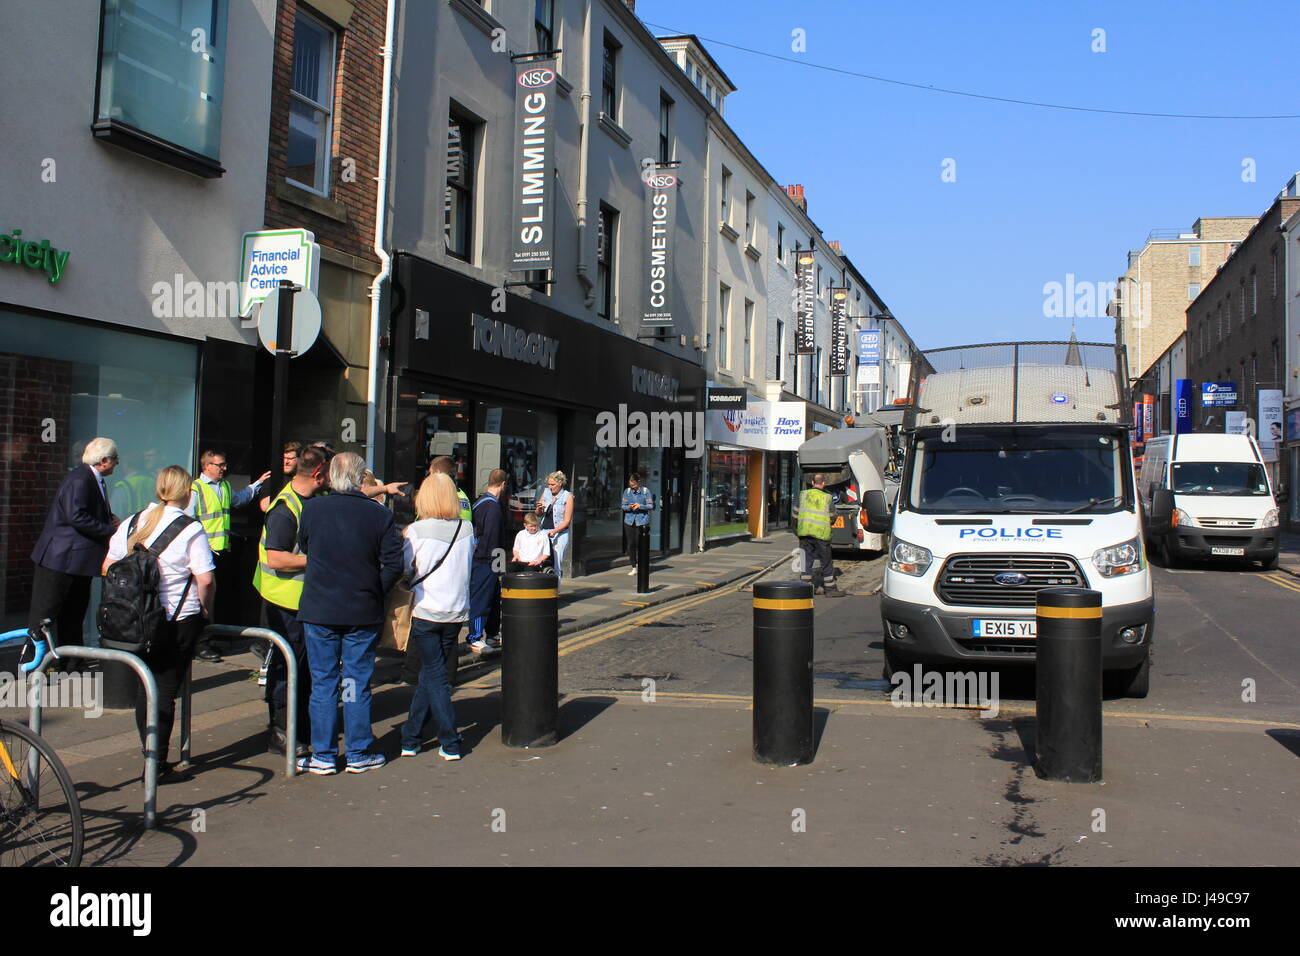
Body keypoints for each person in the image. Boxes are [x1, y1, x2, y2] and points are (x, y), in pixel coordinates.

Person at [103, 465, 215, 780]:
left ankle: (150, 755)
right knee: (165, 690)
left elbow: (107, 566)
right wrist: (206, 610)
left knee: (146, 689)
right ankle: (156, 765)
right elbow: (205, 579)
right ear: (187, 492)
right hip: (175, 619)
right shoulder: (190, 528)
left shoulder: (132, 522)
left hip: (136, 622)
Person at [295, 453, 404, 775]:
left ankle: (324, 756)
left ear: (330, 477)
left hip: (319, 609)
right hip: (361, 609)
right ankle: (358, 753)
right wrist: (374, 588)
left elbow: (306, 545)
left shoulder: (312, 509)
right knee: (355, 682)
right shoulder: (378, 514)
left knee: (323, 683)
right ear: (359, 478)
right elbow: (395, 563)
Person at [251, 445, 328, 757]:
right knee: (286, 669)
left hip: (303, 602)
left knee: (302, 670)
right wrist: (319, 560)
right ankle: (281, 733)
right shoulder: (285, 508)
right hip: (283, 604)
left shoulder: (311, 500)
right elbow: (277, 558)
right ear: (318, 473)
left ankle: (299, 727)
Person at [399, 473, 475, 761]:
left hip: (426, 611)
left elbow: (406, 569)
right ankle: (411, 736)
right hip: (456, 613)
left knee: (436, 677)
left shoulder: (416, 531)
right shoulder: (467, 529)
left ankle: (450, 741)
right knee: (431, 675)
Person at [29, 437, 121, 666]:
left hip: (77, 559)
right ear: (104, 461)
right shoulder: (80, 479)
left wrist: (107, 519)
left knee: (74, 612)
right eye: (115, 459)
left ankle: (72, 663)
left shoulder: (93, 479)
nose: (118, 464)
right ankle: (38, 664)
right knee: (46, 614)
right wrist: (108, 530)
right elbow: (75, 516)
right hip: (60, 559)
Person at [187, 450, 272, 662]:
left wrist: (257, 484)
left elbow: (239, 500)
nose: (224, 468)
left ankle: (211, 638)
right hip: (203, 552)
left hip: (221, 551)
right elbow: (187, 521)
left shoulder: (223, 486)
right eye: (219, 465)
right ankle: (200, 644)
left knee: (215, 598)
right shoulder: (195, 489)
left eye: (224, 464)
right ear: (206, 466)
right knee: (201, 599)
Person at [467, 469, 507, 653]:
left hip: (485, 559)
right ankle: (475, 636)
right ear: (503, 484)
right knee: (482, 598)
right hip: (486, 561)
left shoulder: (480, 503)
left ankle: (492, 635)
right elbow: (492, 538)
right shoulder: (492, 507)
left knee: (493, 597)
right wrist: (499, 565)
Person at [795, 473, 843, 597]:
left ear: (812, 483)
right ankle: (830, 590)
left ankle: (805, 589)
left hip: (805, 533)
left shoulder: (803, 495)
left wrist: (797, 530)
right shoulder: (827, 497)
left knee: (806, 561)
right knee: (826, 562)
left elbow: (795, 514)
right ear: (823, 483)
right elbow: (833, 516)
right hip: (821, 534)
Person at [534, 471, 572, 579]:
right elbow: (538, 514)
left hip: (559, 533)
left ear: (560, 483)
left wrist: (554, 531)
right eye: (549, 484)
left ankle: (556, 589)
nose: (550, 487)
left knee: (556, 562)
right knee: (541, 559)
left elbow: (567, 520)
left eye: (552, 484)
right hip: (544, 531)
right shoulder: (546, 492)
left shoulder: (567, 496)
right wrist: (539, 508)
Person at [621, 472, 655, 576]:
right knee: (631, 544)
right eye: (631, 485)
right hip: (629, 521)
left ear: (638, 482)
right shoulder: (627, 492)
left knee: (641, 545)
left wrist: (640, 506)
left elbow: (650, 506)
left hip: (641, 521)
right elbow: (623, 506)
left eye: (634, 485)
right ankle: (633, 567)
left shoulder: (645, 491)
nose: (633, 487)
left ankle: (643, 565)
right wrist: (629, 507)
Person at [258, 441, 302, 513]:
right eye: (284, 458)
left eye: (290, 458)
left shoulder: (303, 478)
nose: (286, 462)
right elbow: (264, 507)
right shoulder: (271, 478)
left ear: (299, 459)